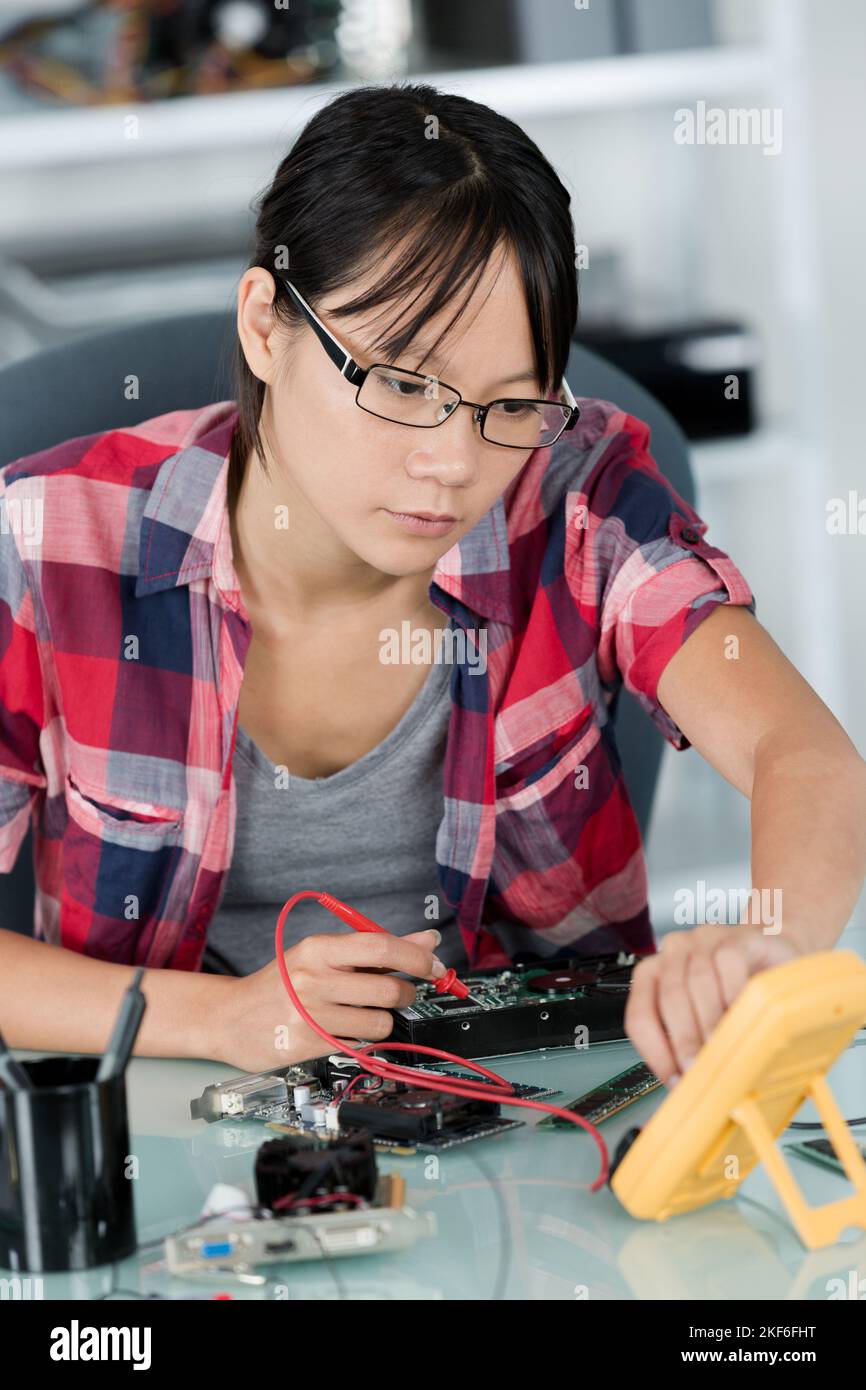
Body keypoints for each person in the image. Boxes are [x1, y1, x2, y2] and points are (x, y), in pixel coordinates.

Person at [1, 85, 864, 1079]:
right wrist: (218, 1019)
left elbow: (801, 755)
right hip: (177, 1140)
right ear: (266, 328)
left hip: (536, 1116)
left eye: (509, 404)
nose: (452, 462)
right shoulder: (48, 541)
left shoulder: (575, 501)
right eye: (404, 384)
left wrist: (771, 950)